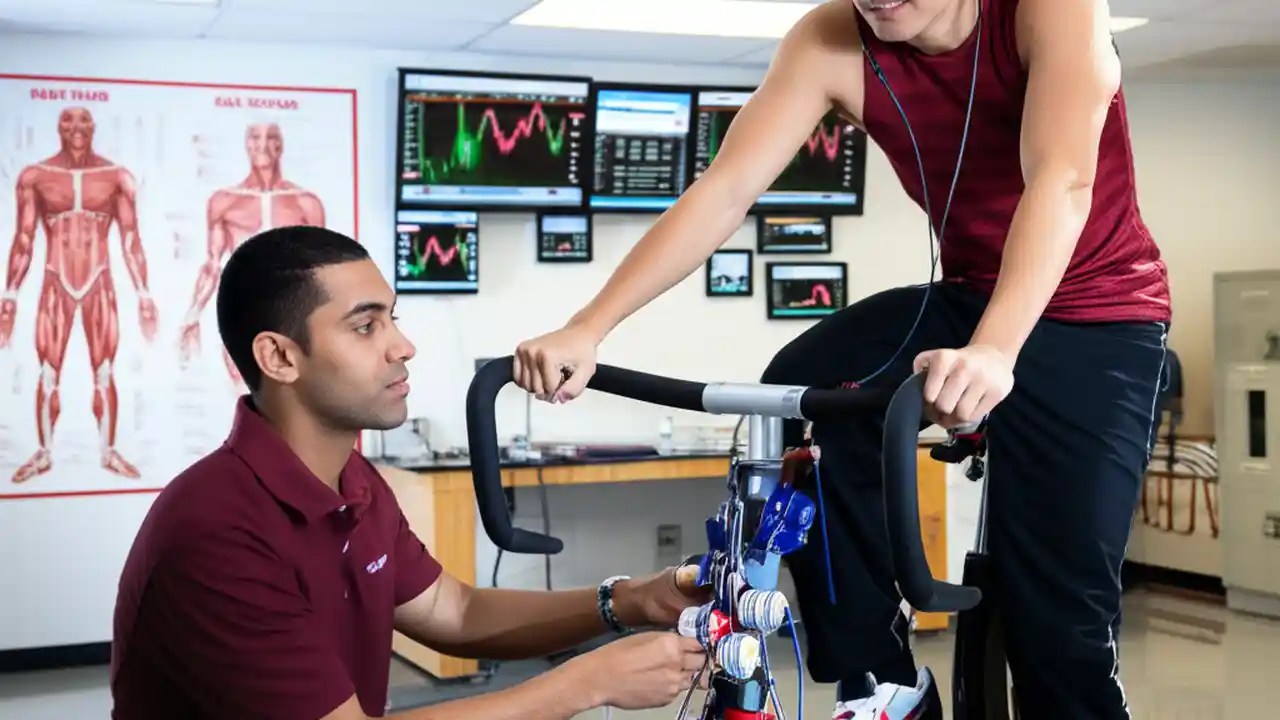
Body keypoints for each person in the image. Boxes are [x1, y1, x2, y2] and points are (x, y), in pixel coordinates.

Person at [512, 1, 1170, 719]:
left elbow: (1062, 178)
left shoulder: (1048, 10)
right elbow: (726, 190)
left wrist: (995, 349)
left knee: (1055, 618)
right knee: (805, 389)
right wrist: (590, 326)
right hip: (970, 296)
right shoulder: (829, 37)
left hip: (1101, 314)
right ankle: (880, 678)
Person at [112, 226, 710, 719]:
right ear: (280, 357)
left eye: (392, 318)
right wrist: (586, 683)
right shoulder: (218, 532)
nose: (403, 346)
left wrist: (627, 600)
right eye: (366, 325)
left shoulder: (353, 480)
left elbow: (456, 614)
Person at [0, 106, 158, 484]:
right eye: (68, 120)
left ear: (93, 127)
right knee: (47, 372)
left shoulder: (115, 176)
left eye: (83, 120)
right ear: (58, 127)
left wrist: (144, 294)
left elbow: (131, 237)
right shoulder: (36, 176)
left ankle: (107, 452)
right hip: (56, 281)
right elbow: (23, 239)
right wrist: (9, 296)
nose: (76, 127)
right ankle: (44, 452)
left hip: (98, 282)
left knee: (104, 371)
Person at [179, 121, 326, 384]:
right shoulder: (224, 201)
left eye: (271, 137)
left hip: (292, 312)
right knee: (248, 393)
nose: (263, 144)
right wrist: (192, 315)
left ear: (280, 145)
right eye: (255, 137)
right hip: (244, 311)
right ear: (247, 144)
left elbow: (320, 270)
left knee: (294, 402)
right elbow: (212, 265)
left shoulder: (306, 202)